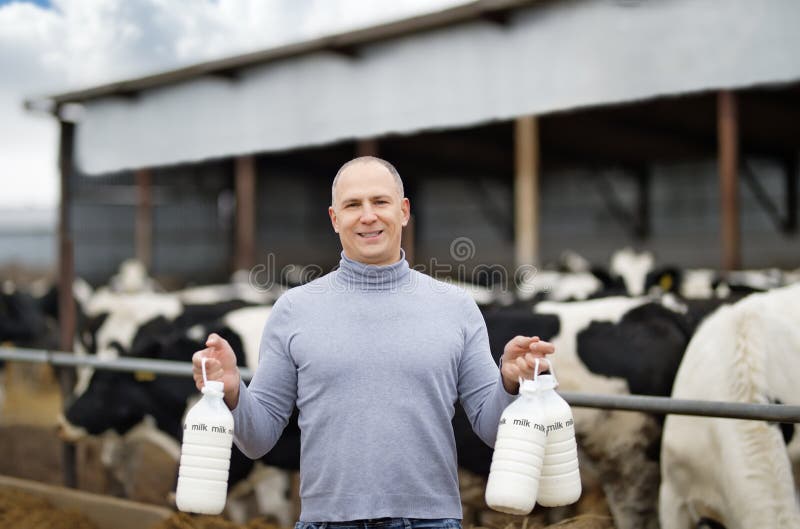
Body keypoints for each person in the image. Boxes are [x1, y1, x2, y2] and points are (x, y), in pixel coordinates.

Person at [192, 156, 555, 529]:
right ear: (335, 219)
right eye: (353, 205)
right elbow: (258, 438)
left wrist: (511, 383)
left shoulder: (457, 308)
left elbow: (493, 429)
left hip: (430, 522)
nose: (368, 216)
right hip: (326, 522)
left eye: (380, 202)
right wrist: (234, 391)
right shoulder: (292, 310)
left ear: (403, 211)